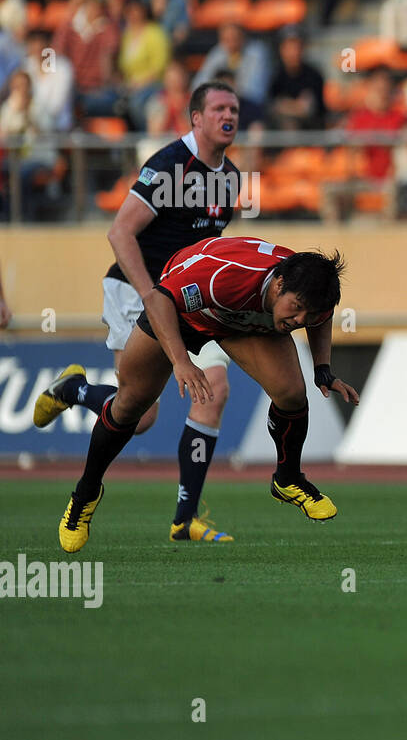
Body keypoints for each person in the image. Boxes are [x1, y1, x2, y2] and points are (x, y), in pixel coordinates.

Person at [41, 236, 357, 554]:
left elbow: (321, 315)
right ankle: (85, 493)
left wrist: (323, 368)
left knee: (291, 394)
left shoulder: (310, 292)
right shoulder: (227, 277)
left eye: (308, 314)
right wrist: (181, 362)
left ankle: (288, 479)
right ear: (277, 285)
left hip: (232, 320)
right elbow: (159, 299)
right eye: (297, 308)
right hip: (176, 310)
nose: (300, 320)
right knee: (130, 408)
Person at [33, 82, 245, 544]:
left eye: (234, 108)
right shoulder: (169, 165)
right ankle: (75, 388)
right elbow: (120, 232)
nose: (228, 115)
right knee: (140, 415)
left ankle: (185, 518)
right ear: (196, 118)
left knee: (216, 390)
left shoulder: (231, 178)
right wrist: (151, 294)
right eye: (218, 108)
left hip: (187, 300)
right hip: (136, 289)